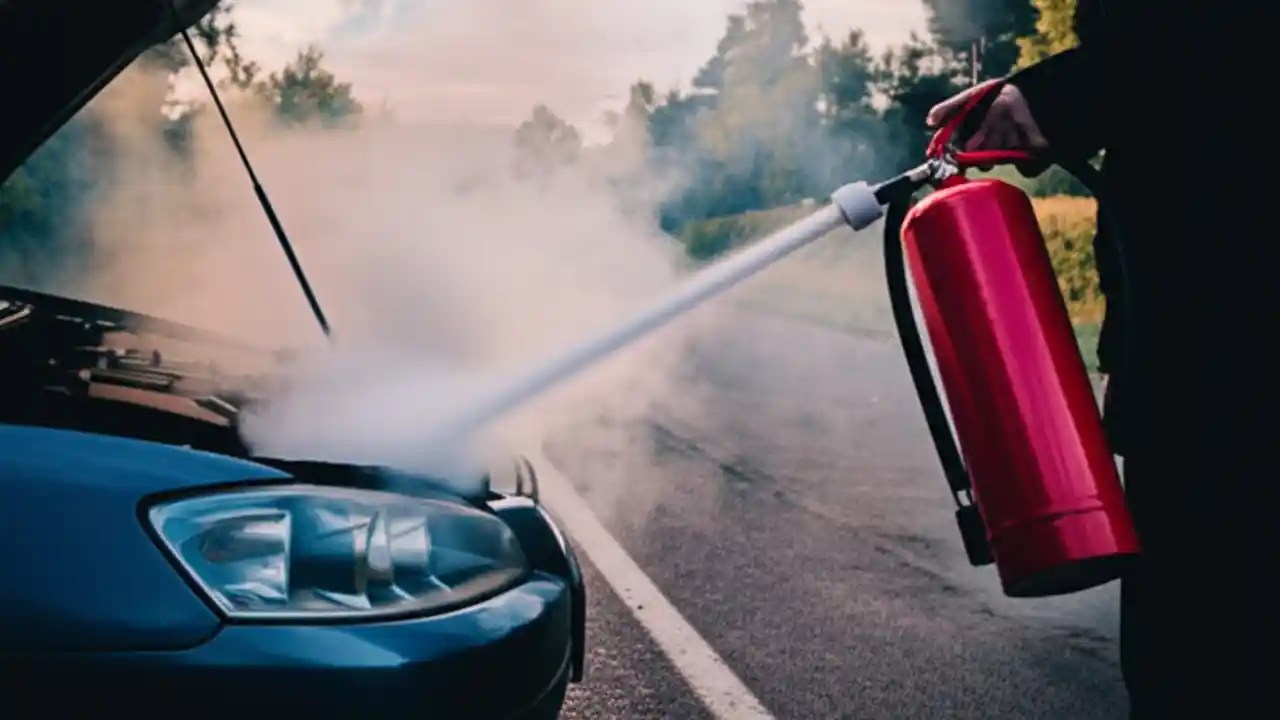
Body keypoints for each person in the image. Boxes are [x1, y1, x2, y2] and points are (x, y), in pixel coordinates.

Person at [925, 3, 1272, 718]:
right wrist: (1127, 352)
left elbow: (1215, 42)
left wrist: (1063, 96)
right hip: (1192, 358)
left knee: (1209, 662)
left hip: (1230, 363)